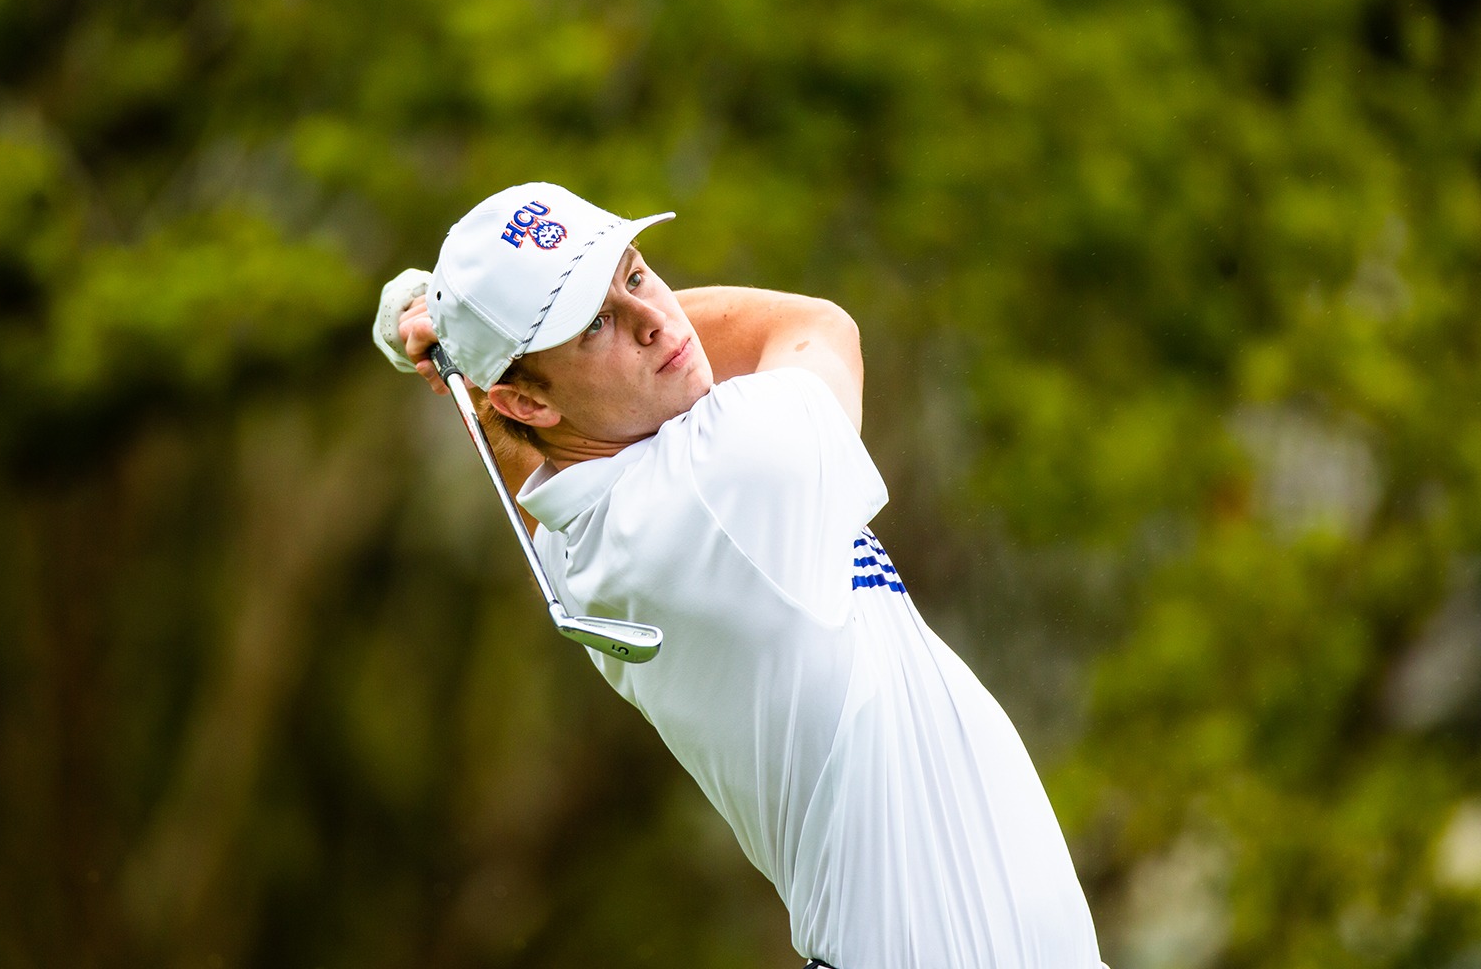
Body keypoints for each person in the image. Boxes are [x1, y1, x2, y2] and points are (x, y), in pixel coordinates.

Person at [375, 183, 1104, 969]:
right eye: (596, 326)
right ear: (525, 401)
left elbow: (526, 454)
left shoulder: (580, 533)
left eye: (636, 274)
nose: (656, 319)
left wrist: (472, 348)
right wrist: (463, 348)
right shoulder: (728, 473)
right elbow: (813, 326)